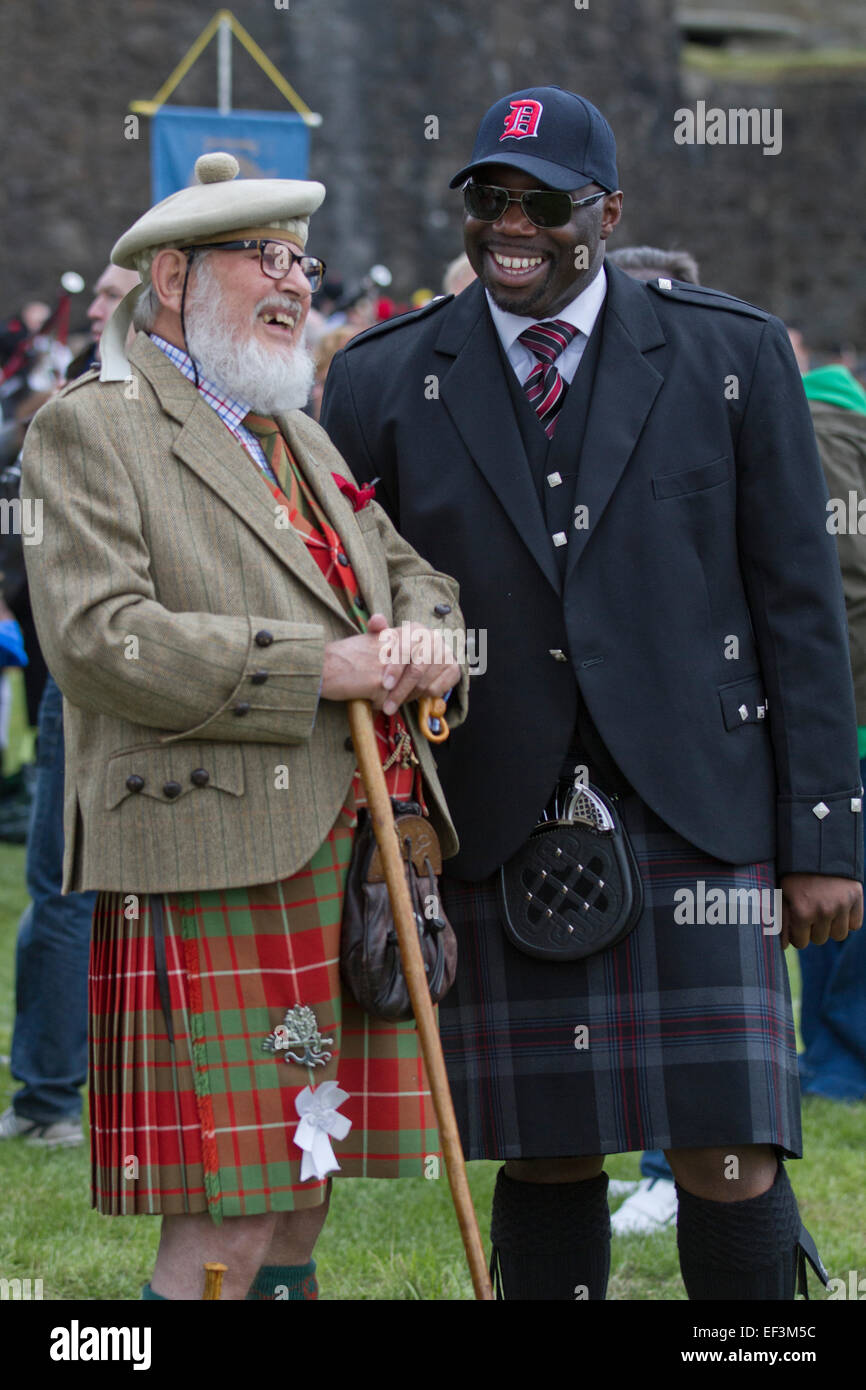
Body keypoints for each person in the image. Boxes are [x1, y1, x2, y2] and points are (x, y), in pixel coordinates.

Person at [321, 85, 863, 1301]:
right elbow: (343, 604)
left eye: (541, 204)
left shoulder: (726, 354)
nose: (509, 226)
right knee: (547, 1151)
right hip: (491, 815)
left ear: (606, 212)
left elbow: (798, 610)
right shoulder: (383, 379)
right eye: (488, 201)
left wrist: (822, 834)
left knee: (728, 1155)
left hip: (697, 816)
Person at [21, 152, 467, 1301]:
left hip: (335, 843)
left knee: (303, 1175)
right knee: (229, 1206)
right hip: (201, 854)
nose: (293, 282)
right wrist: (321, 666)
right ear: (171, 277)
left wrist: (420, 632)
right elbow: (96, 635)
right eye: (261, 258)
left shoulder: (297, 434)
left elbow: (408, 572)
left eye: (298, 260)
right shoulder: (91, 428)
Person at [0, 262, 139, 1149]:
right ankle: (48, 1096)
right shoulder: (79, 408)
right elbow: (24, 550)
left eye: (106, 295)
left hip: (125, 680)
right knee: (63, 889)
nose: (92, 308)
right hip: (79, 683)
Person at [797, 346, 866, 1101]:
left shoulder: (821, 428)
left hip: (848, 716)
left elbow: (845, 581)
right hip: (843, 714)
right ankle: (832, 1054)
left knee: (839, 889)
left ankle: (843, 1062)